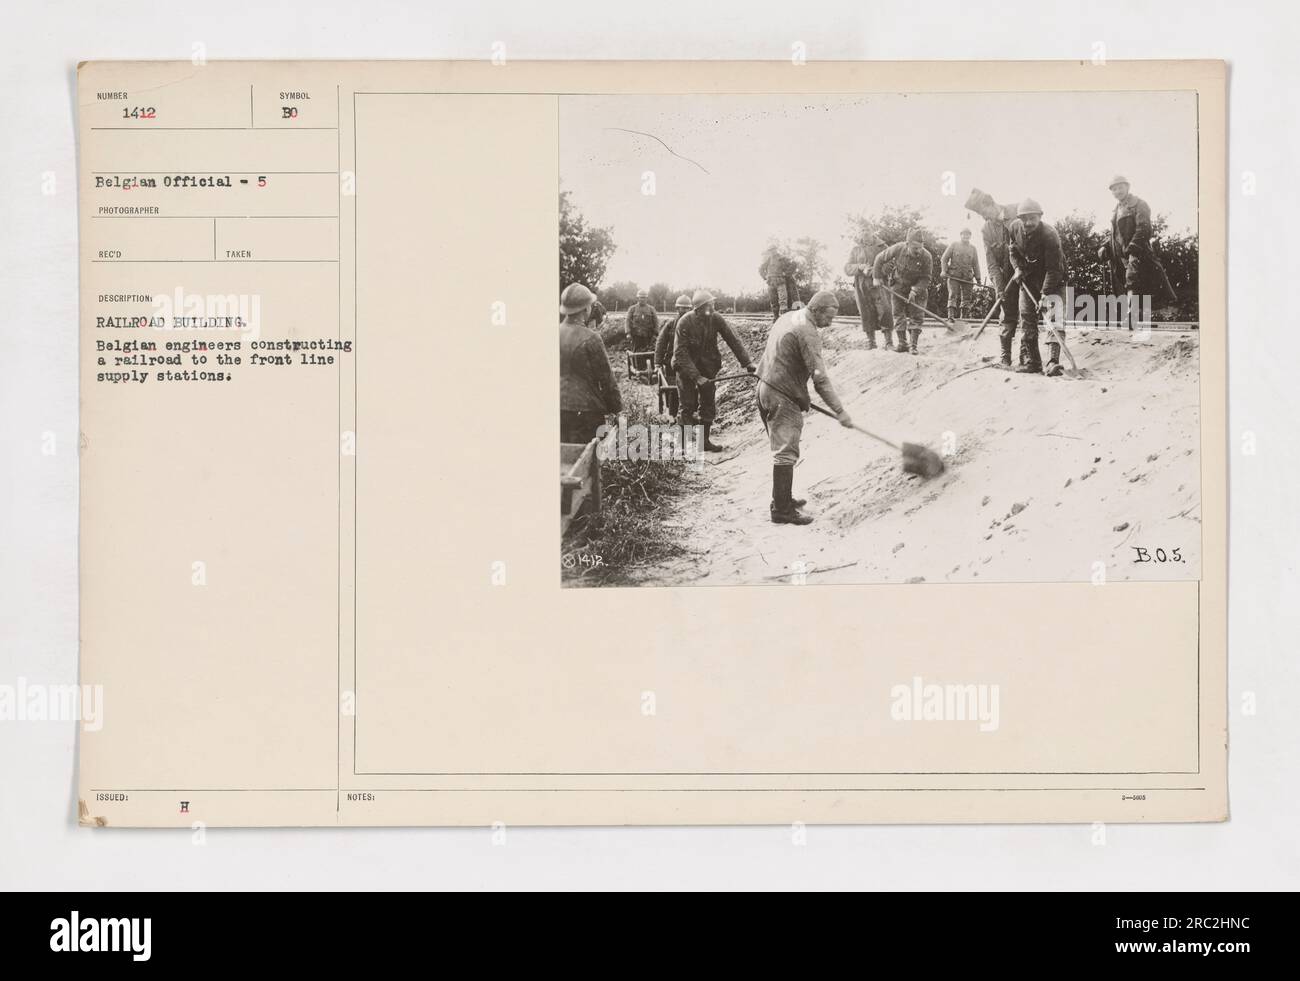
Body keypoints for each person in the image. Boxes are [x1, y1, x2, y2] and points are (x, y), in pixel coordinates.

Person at [755, 290, 854, 526]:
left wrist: (800, 393)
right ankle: (781, 511)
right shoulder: (808, 331)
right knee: (785, 452)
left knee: (782, 450)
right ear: (817, 310)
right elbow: (820, 379)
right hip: (781, 396)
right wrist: (840, 411)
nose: (830, 323)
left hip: (764, 388)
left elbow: (779, 356)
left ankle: (783, 499)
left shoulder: (788, 317)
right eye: (829, 317)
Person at [671, 289, 755, 452]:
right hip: (685, 368)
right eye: (709, 305)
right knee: (687, 406)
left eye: (713, 304)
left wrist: (747, 363)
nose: (713, 308)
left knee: (708, 405)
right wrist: (696, 377)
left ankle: (704, 442)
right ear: (698, 309)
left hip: (708, 366)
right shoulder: (684, 322)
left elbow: (733, 340)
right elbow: (680, 353)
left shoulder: (716, 318)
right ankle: (685, 446)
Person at [1098, 175, 1176, 329]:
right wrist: (1105, 246)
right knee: (1125, 284)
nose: (1117, 191)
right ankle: (1133, 316)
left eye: (1120, 187)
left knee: (1132, 280)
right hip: (1119, 255)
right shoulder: (1116, 210)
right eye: (1114, 189)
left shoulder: (1140, 205)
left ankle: (1132, 316)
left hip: (1138, 251)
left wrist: (1133, 248)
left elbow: (1144, 228)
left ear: (1128, 187)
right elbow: (1115, 234)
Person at [1007, 198, 1067, 375]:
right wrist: (1017, 268)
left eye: (1032, 218)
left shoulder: (1050, 235)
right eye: (1024, 218)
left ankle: (1052, 362)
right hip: (1029, 278)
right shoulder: (1014, 228)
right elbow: (1013, 251)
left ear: (1040, 217)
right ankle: (1032, 362)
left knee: (1054, 318)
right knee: (1026, 317)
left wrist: (1044, 294)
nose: (1028, 222)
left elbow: (1054, 269)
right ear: (1019, 218)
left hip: (1053, 280)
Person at [559, 283, 621, 442]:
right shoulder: (591, 338)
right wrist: (617, 410)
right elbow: (607, 380)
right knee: (588, 461)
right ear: (586, 309)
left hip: (557, 409)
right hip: (586, 414)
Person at [872, 229, 933, 355]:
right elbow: (879, 259)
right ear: (907, 244)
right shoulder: (898, 248)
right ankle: (902, 343)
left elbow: (926, 278)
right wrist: (876, 277)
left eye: (920, 248)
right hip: (898, 286)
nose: (918, 251)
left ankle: (913, 346)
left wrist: (915, 291)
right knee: (898, 314)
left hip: (918, 288)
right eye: (915, 248)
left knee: (916, 316)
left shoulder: (926, 256)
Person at [844, 231, 894, 350]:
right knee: (866, 312)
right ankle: (871, 342)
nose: (864, 237)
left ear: (872, 233)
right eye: (862, 234)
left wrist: (876, 272)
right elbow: (847, 268)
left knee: (885, 310)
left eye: (867, 234)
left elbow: (890, 264)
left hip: (879, 283)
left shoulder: (882, 247)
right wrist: (860, 267)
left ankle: (889, 342)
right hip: (862, 285)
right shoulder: (856, 249)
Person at [654, 294, 692, 420]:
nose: (685, 311)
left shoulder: (694, 325)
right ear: (677, 309)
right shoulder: (670, 325)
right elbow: (661, 343)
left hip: (690, 363)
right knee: (674, 390)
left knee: (691, 390)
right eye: (682, 308)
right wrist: (657, 363)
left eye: (687, 308)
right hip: (672, 363)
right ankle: (672, 415)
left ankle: (690, 414)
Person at [940, 228, 982, 321]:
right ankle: (951, 317)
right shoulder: (954, 245)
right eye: (964, 234)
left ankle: (964, 318)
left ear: (970, 236)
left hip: (967, 277)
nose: (966, 236)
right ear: (960, 235)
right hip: (954, 276)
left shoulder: (973, 248)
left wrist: (978, 279)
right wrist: (944, 270)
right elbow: (944, 259)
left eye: (968, 234)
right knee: (952, 295)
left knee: (967, 298)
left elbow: (976, 264)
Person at [759, 246, 800, 322]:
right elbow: (761, 269)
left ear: (776, 250)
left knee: (783, 301)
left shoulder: (782, 258)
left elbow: (794, 264)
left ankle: (783, 319)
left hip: (780, 281)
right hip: (771, 282)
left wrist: (786, 274)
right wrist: (765, 277)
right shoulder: (768, 260)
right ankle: (776, 317)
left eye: (773, 250)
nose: (772, 252)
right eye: (770, 250)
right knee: (773, 301)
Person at [625, 289, 660, 376]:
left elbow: (656, 322)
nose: (642, 299)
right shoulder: (632, 309)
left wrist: (656, 333)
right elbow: (627, 321)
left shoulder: (651, 309)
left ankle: (650, 369)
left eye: (644, 298)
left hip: (649, 336)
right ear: (638, 298)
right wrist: (628, 333)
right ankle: (638, 369)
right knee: (637, 353)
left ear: (646, 299)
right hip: (636, 336)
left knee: (651, 352)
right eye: (640, 298)